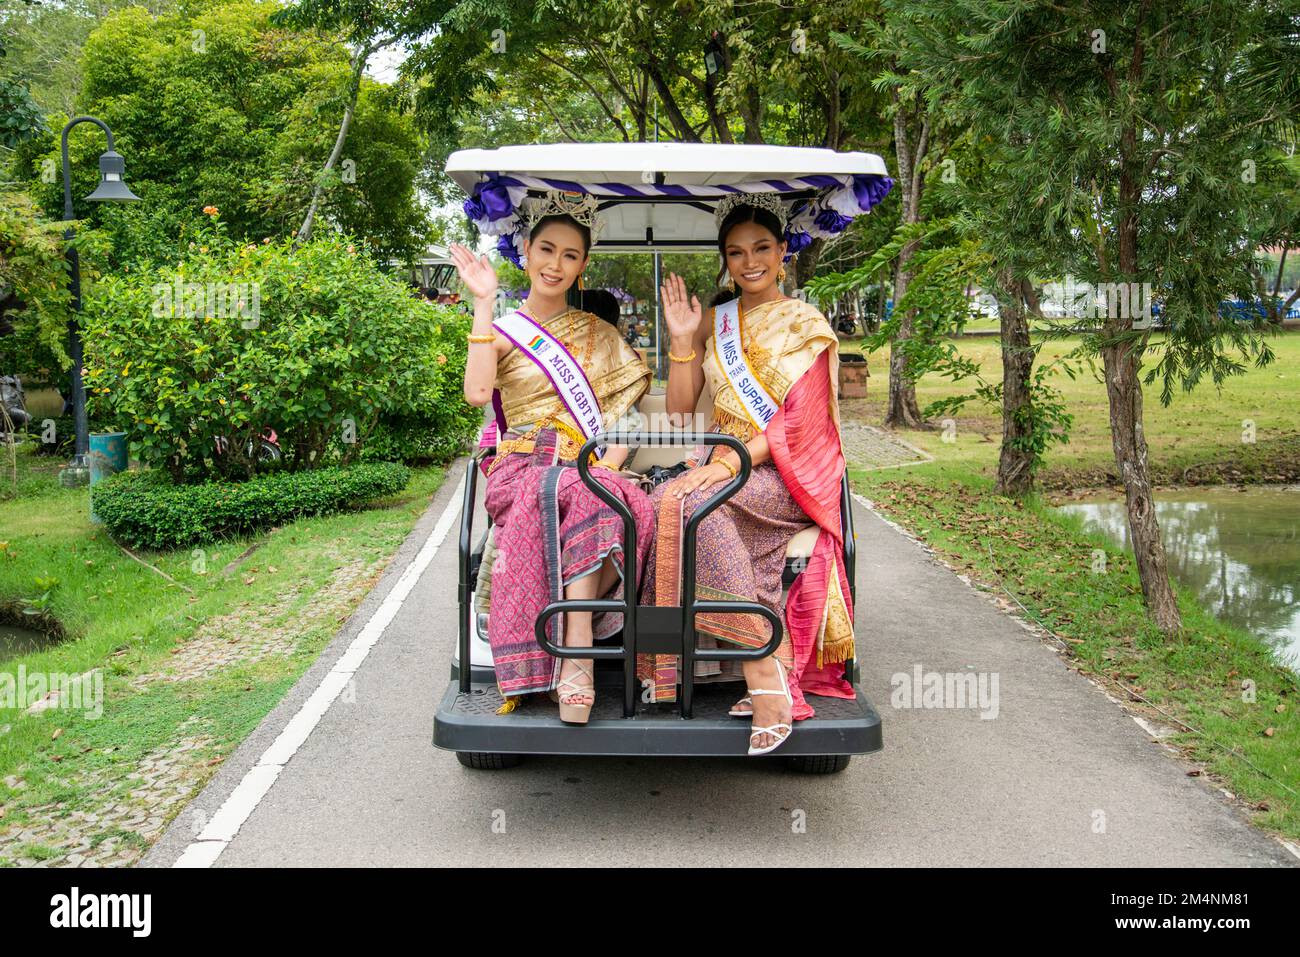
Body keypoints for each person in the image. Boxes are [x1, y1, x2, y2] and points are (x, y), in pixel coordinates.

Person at [639, 191, 856, 756]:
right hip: (721, 460)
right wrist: (684, 339)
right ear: (726, 260)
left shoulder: (805, 323)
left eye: (762, 247)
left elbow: (801, 425)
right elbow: (685, 411)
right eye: (736, 252)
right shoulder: (718, 320)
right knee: (661, 503)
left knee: (696, 503)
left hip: (783, 472)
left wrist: (730, 463)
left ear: (784, 251)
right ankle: (673, 668)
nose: (750, 261)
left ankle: (764, 669)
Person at [449, 189, 653, 724]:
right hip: (522, 467)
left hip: (586, 466)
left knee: (632, 503)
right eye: (546, 250)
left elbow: (625, 419)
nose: (555, 264)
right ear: (527, 253)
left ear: (583, 266)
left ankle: (576, 629)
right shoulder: (503, 332)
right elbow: (476, 394)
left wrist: (610, 463)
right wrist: (484, 303)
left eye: (569, 255)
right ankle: (578, 649)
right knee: (578, 487)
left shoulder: (601, 336)